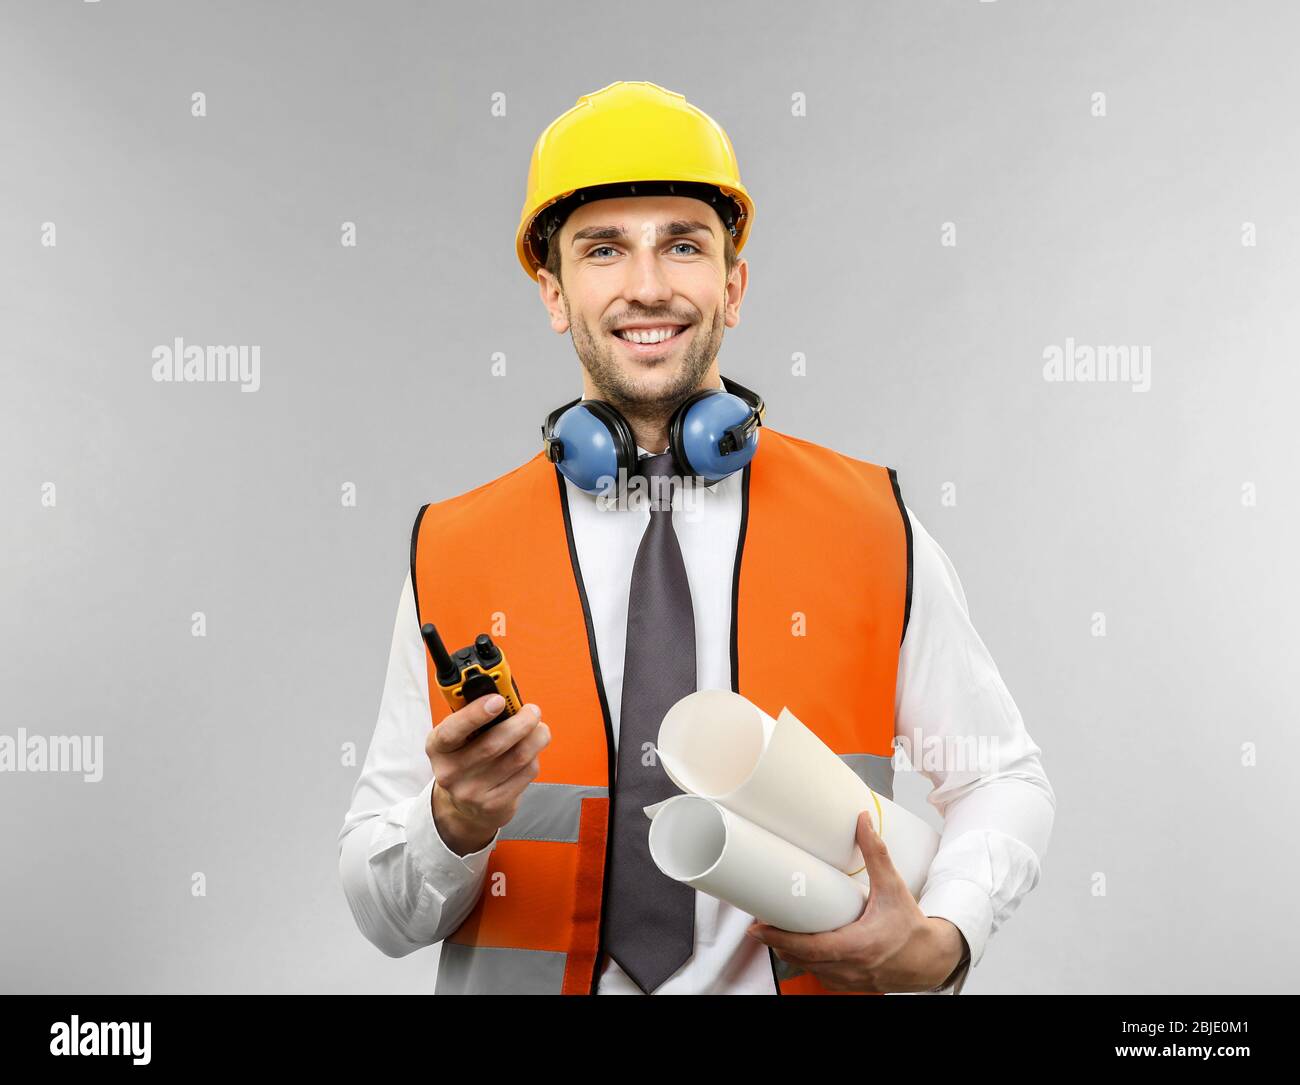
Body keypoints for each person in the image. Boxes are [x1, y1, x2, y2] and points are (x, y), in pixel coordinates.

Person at [338, 81, 1055, 996]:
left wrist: (947, 934)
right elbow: (380, 909)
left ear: (733, 284)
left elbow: (1002, 776)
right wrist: (453, 824)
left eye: (683, 244)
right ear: (554, 293)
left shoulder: (872, 523)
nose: (647, 285)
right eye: (604, 250)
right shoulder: (454, 550)